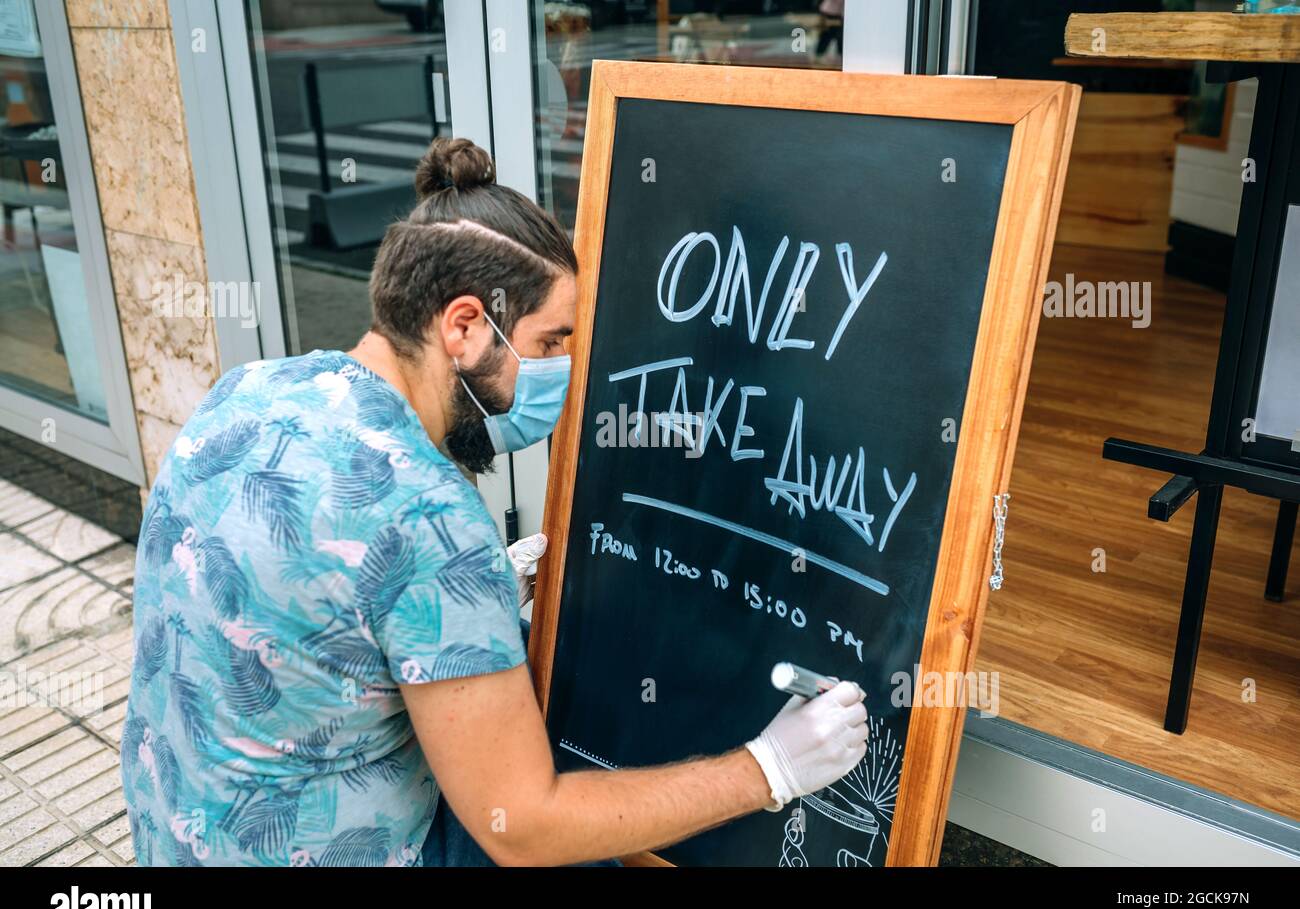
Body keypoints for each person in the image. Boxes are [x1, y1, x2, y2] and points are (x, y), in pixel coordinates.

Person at [120, 138, 870, 867]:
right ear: (465, 325)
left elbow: (304, 598)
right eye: (549, 344)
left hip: (174, 834)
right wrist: (767, 769)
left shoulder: (247, 391)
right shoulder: (430, 519)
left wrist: (467, 607)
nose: (562, 372)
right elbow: (524, 828)